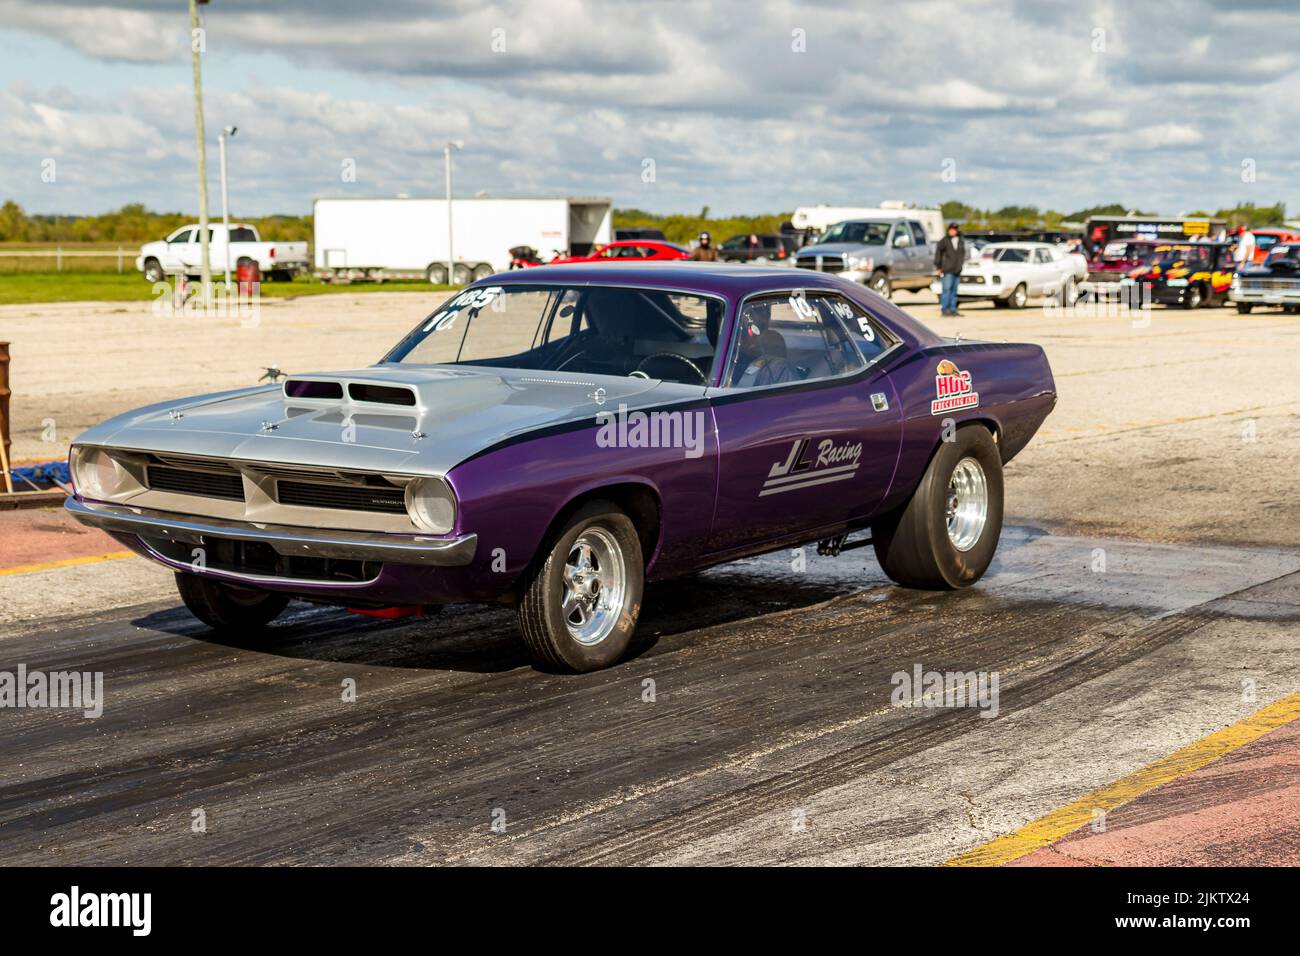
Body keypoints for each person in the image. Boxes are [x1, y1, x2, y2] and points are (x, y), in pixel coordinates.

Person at [934, 223, 966, 316]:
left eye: (955, 229)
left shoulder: (960, 241)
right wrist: (939, 267)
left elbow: (962, 255)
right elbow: (938, 254)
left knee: (954, 291)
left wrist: (960, 266)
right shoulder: (944, 241)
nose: (953, 231)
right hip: (947, 270)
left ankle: (953, 309)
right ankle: (945, 309)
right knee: (946, 290)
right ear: (948, 230)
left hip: (957, 270)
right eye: (951, 229)